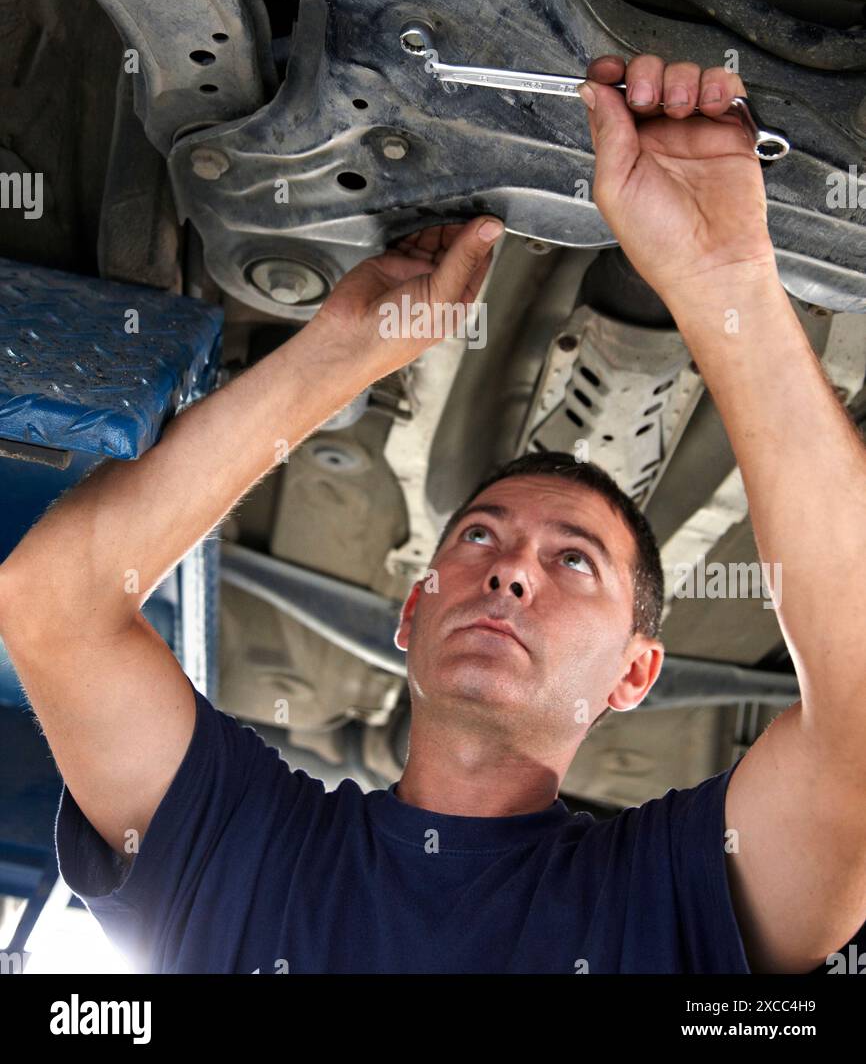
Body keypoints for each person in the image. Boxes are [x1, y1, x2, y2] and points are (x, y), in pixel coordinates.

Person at [1, 54, 864, 974]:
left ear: (634, 673)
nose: (511, 569)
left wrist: (724, 275)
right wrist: (340, 352)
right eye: (481, 536)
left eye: (575, 562)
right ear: (412, 613)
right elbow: (53, 602)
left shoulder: (676, 898)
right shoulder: (243, 851)